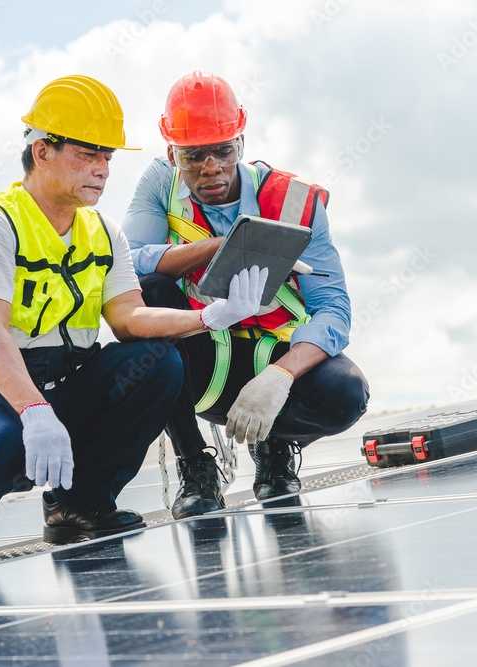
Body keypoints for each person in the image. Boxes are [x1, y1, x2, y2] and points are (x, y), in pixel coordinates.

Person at [0, 75, 266, 567]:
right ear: (42, 152)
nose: (102, 170)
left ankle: (79, 506)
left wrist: (210, 317)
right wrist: (34, 413)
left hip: (55, 390)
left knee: (158, 363)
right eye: (87, 155)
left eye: (107, 158)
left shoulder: (103, 232)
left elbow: (130, 320)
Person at [123, 71, 370, 520]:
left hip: (273, 355)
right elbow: (128, 261)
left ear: (241, 140)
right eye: (193, 155)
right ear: (171, 152)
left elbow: (333, 310)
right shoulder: (161, 183)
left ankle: (275, 444)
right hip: (198, 354)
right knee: (148, 292)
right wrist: (222, 244)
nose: (211, 167)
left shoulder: (293, 202)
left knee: (345, 392)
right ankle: (196, 465)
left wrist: (281, 377)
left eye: (223, 150)